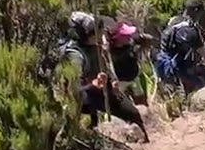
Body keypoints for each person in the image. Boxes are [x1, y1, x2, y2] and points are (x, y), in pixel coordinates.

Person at [62, 11, 149, 141]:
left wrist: (112, 80)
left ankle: (144, 144)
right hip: (85, 98)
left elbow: (106, 64)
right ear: (88, 34)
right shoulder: (75, 55)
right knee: (92, 123)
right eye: (99, 31)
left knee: (132, 113)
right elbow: (73, 88)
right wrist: (93, 84)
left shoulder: (97, 47)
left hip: (104, 91)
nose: (103, 34)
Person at [157, 0, 205, 110]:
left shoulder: (174, 21)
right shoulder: (189, 30)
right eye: (201, 12)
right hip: (180, 67)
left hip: (173, 65)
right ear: (196, 11)